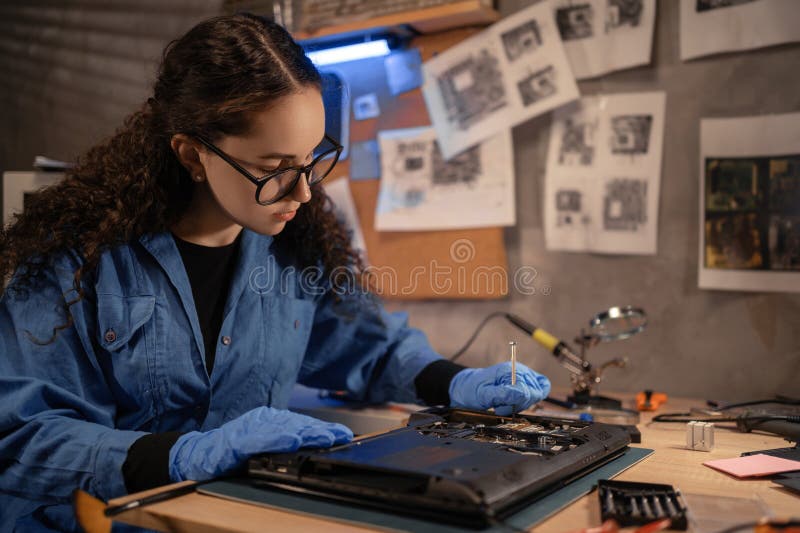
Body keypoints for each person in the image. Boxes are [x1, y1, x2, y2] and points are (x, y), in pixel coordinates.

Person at [0, 13, 551, 532]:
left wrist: (454, 382)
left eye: (311, 160)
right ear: (192, 155)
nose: (305, 191)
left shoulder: (293, 243)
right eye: (274, 169)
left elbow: (373, 348)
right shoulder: (75, 258)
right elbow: (22, 435)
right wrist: (181, 455)